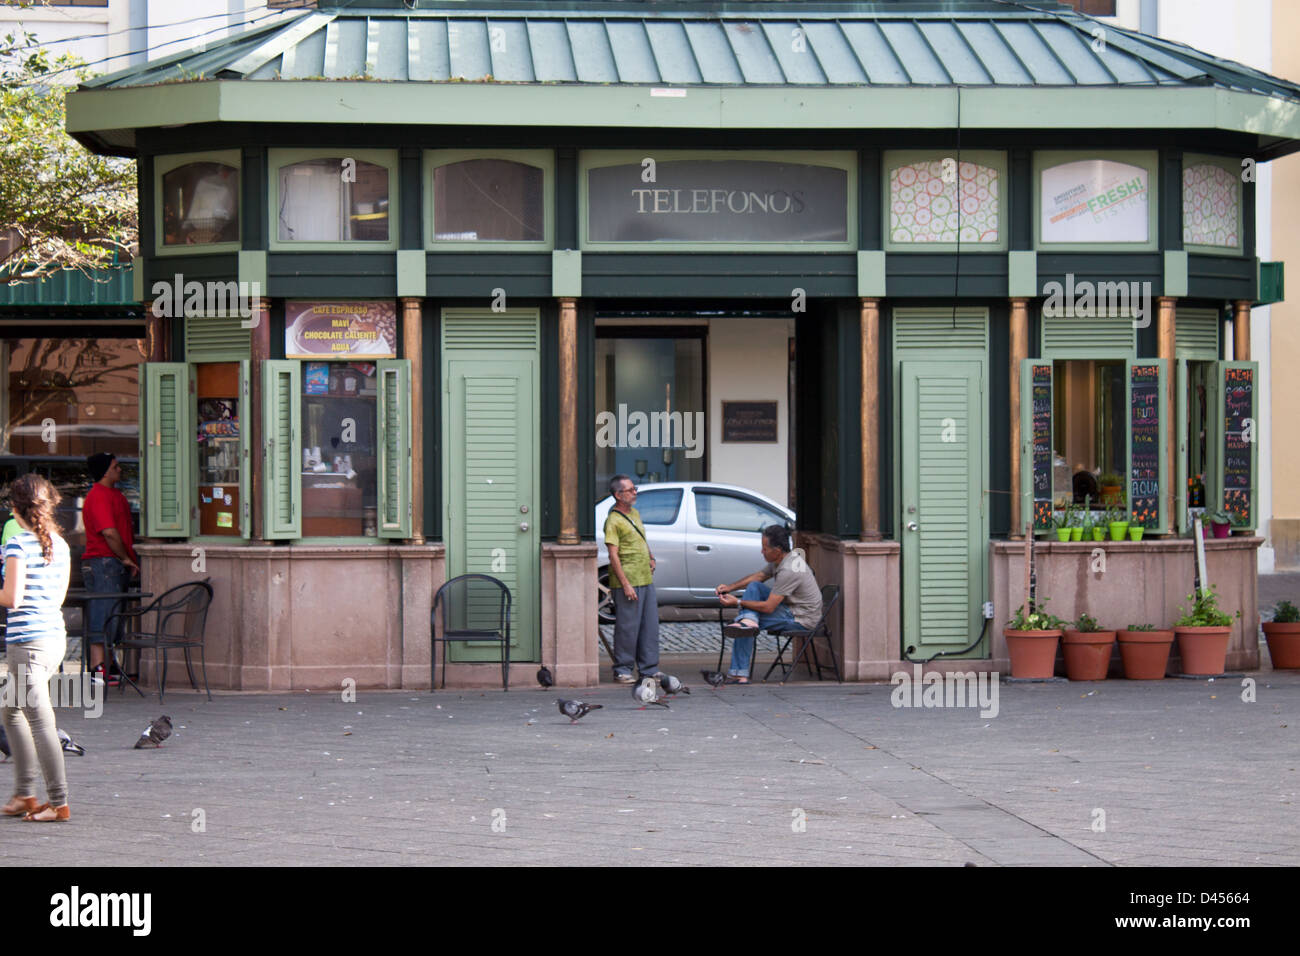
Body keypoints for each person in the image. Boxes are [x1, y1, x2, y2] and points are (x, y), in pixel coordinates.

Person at [0, 474, 72, 822]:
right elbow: (57, 598)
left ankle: (58, 803)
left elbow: (10, 599)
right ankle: (24, 795)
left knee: (40, 722)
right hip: (53, 639)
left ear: (15, 508)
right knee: (11, 712)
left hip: (27, 644)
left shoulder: (17, 545)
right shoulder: (60, 544)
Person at [715, 525, 822, 684]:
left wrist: (737, 601)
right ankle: (748, 622)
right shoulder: (781, 560)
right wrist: (729, 588)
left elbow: (769, 607)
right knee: (754, 589)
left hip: (801, 619)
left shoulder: (789, 569)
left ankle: (739, 673)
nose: (762, 552)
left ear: (777, 550)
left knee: (744, 627)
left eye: (765, 548)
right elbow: (758, 577)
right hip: (791, 609)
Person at [81, 452, 139, 683]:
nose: (120, 470)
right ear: (105, 471)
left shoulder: (115, 495)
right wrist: (125, 557)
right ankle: (97, 668)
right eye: (116, 467)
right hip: (103, 561)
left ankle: (108, 664)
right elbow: (109, 532)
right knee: (103, 612)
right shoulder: (99, 496)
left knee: (113, 614)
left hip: (111, 561)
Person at [603, 474, 659, 683]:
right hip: (627, 580)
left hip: (645, 577)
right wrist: (625, 584)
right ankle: (623, 669)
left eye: (635, 489)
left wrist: (650, 556)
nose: (635, 492)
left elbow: (641, 538)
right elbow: (613, 554)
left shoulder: (634, 513)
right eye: (630, 490)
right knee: (627, 628)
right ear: (618, 495)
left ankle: (649, 668)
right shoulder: (613, 520)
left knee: (649, 626)